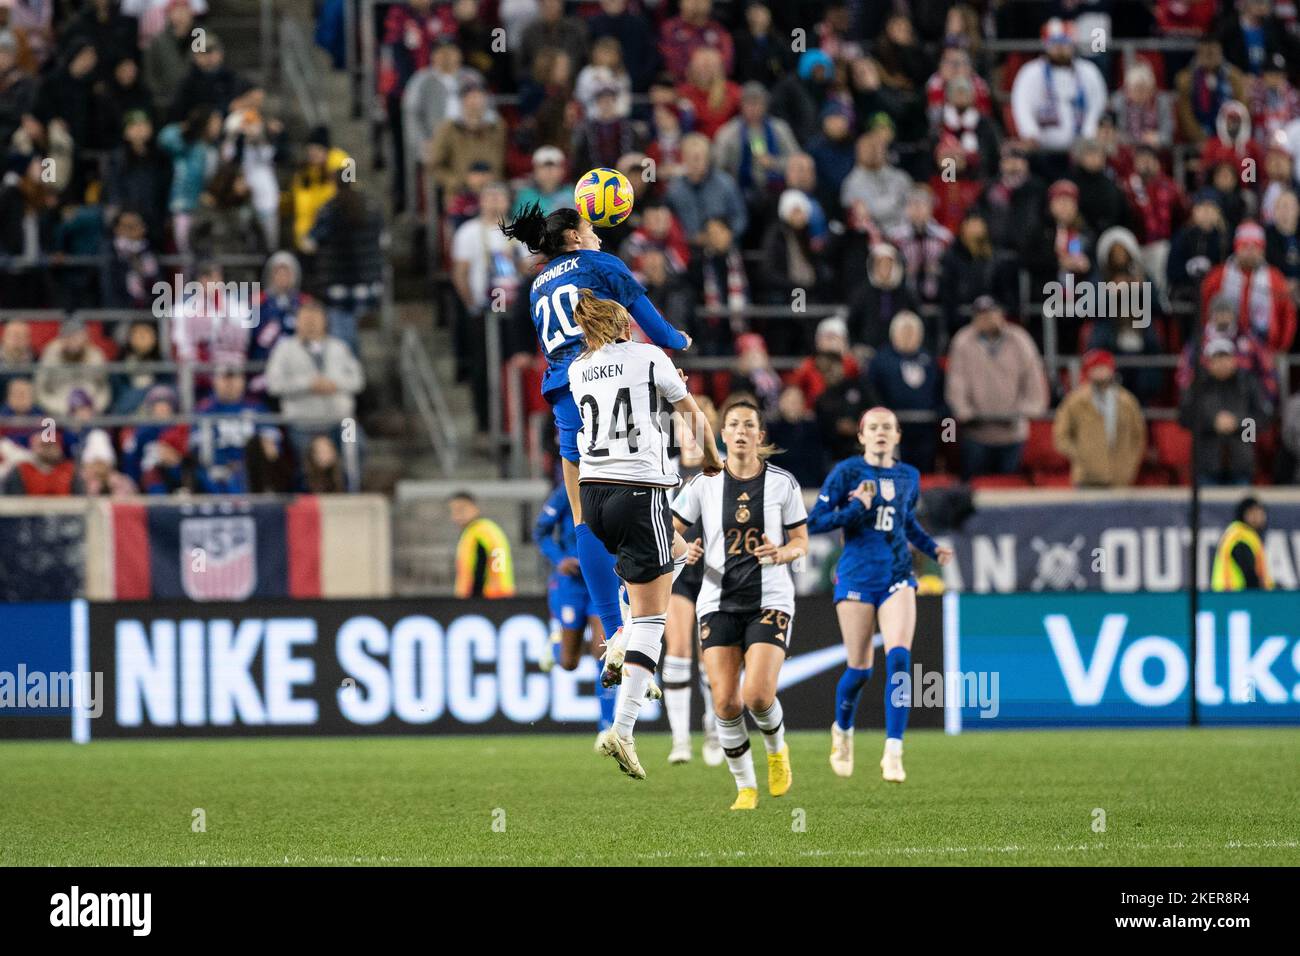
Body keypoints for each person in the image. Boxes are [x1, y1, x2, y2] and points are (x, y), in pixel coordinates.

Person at [499, 201, 692, 678]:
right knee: (639, 483)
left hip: (565, 395)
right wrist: (682, 340)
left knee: (583, 509)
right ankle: (649, 595)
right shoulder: (600, 264)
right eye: (591, 228)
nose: (600, 235)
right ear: (574, 237)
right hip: (604, 384)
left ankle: (612, 631)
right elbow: (656, 326)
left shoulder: (538, 282)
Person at [566, 290, 721, 780]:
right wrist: (713, 461)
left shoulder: (577, 370)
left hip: (594, 496)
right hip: (638, 489)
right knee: (656, 615)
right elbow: (692, 416)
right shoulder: (651, 356)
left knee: (662, 563)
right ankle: (624, 728)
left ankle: (621, 637)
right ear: (624, 325)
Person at [671, 398, 807, 809]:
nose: (742, 431)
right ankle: (745, 787)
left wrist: (783, 553)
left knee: (758, 696)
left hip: (771, 598)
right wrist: (683, 550)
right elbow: (667, 528)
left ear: (760, 436)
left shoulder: (783, 483)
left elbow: (801, 541)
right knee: (725, 701)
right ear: (723, 435)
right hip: (716, 601)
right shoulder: (704, 483)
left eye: (750, 425)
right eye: (734, 425)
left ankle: (777, 750)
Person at [807, 407, 953, 784]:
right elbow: (815, 522)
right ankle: (843, 731)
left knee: (900, 658)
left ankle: (894, 751)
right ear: (862, 436)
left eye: (887, 427)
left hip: (898, 574)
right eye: (873, 427)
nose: (880, 432)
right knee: (859, 670)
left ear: (898, 435)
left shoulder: (909, 476)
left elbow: (906, 524)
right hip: (856, 575)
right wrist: (857, 508)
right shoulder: (847, 473)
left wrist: (932, 548)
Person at [534, 481, 617, 743]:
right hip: (572, 584)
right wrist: (560, 559)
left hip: (604, 578)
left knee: (604, 651)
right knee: (568, 663)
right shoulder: (566, 490)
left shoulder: (614, 485)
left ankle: (607, 726)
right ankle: (558, 644)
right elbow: (541, 531)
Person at [945, 295, 1049, 480]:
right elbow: (956, 382)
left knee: (1007, 494)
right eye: (981, 315)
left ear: (1001, 315)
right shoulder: (963, 341)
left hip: (1012, 433)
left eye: (991, 313)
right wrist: (963, 411)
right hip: (976, 434)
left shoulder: (1020, 339)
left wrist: (1027, 409)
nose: (986, 319)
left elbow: (1033, 381)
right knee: (974, 492)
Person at [1178, 337, 1273, 486]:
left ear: (1234, 359)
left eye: (1226, 357)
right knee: (1207, 509)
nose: (1222, 362)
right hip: (1206, 465)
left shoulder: (1249, 383)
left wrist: (1238, 423)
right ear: (1209, 362)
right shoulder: (1197, 385)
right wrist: (1212, 423)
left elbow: (1264, 418)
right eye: (1217, 357)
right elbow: (1184, 417)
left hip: (1241, 465)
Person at [1052, 349, 1146, 488]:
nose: (1100, 372)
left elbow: (1138, 436)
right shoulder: (1075, 401)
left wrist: (1129, 464)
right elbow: (1061, 435)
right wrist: (1081, 456)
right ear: (1088, 371)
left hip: (1120, 478)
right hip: (1087, 478)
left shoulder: (1127, 401)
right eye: (1096, 368)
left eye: (1104, 367)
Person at [450, 490, 516, 598]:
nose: (456, 515)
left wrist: (472, 596)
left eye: (461, 509)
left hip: (487, 598)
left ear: (475, 508)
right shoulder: (482, 530)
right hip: (497, 596)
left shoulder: (480, 532)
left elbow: (483, 566)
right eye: (453, 511)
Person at [1210, 497, 1273, 591]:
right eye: (1257, 512)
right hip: (1237, 598)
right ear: (1247, 514)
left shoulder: (1236, 533)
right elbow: (1249, 574)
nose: (1261, 517)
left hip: (1226, 597)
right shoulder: (1241, 537)